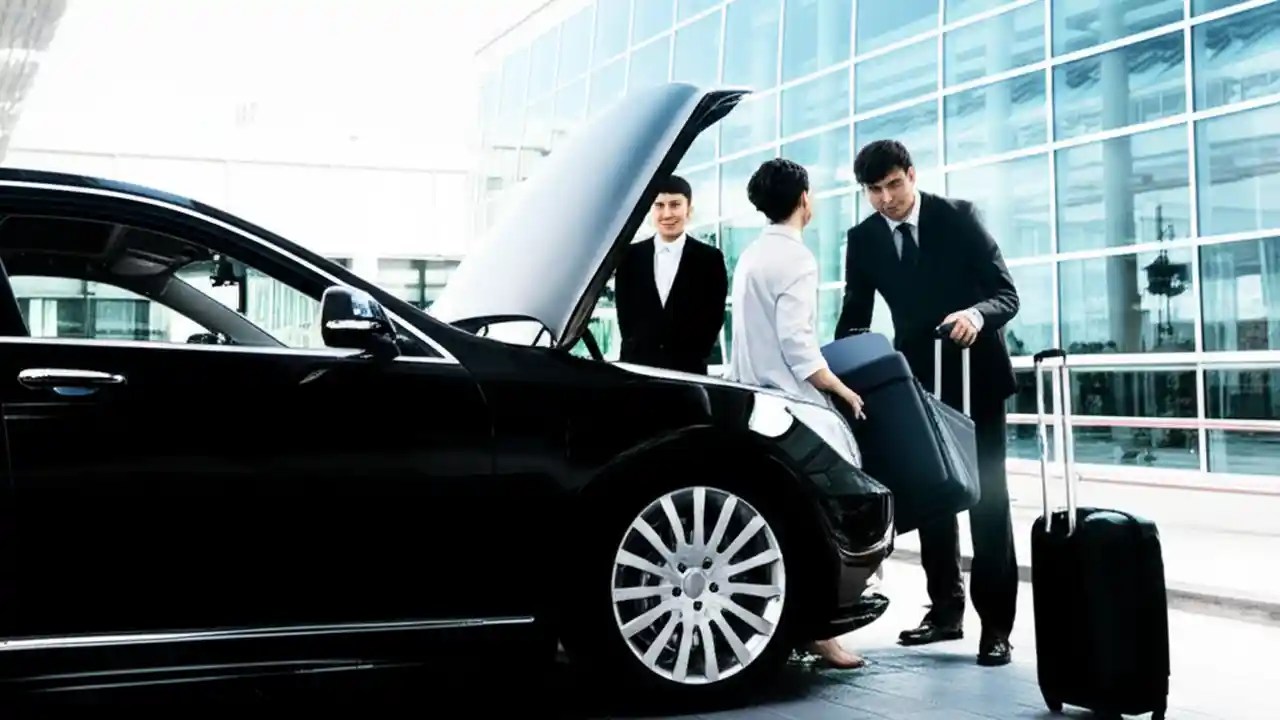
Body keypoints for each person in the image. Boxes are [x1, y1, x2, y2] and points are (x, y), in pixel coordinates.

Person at [834, 139, 1020, 667]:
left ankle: (996, 628)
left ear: (911, 175)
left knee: (988, 502)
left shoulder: (958, 217)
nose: (887, 199)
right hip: (917, 384)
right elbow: (855, 317)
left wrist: (977, 316)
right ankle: (944, 611)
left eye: (894, 185)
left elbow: (1006, 293)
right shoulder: (863, 239)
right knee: (935, 498)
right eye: (875, 190)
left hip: (977, 378)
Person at [726, 157, 868, 670]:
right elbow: (799, 347)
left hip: (751, 401)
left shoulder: (750, 256)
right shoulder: (797, 260)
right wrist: (842, 392)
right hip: (792, 408)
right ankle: (822, 634)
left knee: (768, 529)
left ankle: (785, 629)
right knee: (820, 528)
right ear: (804, 199)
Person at [614, 175, 728, 375]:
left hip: (688, 374)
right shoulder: (629, 257)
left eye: (675, 205)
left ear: (689, 210)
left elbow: (714, 318)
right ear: (651, 209)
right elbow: (625, 317)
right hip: (637, 374)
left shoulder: (710, 259)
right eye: (659, 205)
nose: (667, 214)